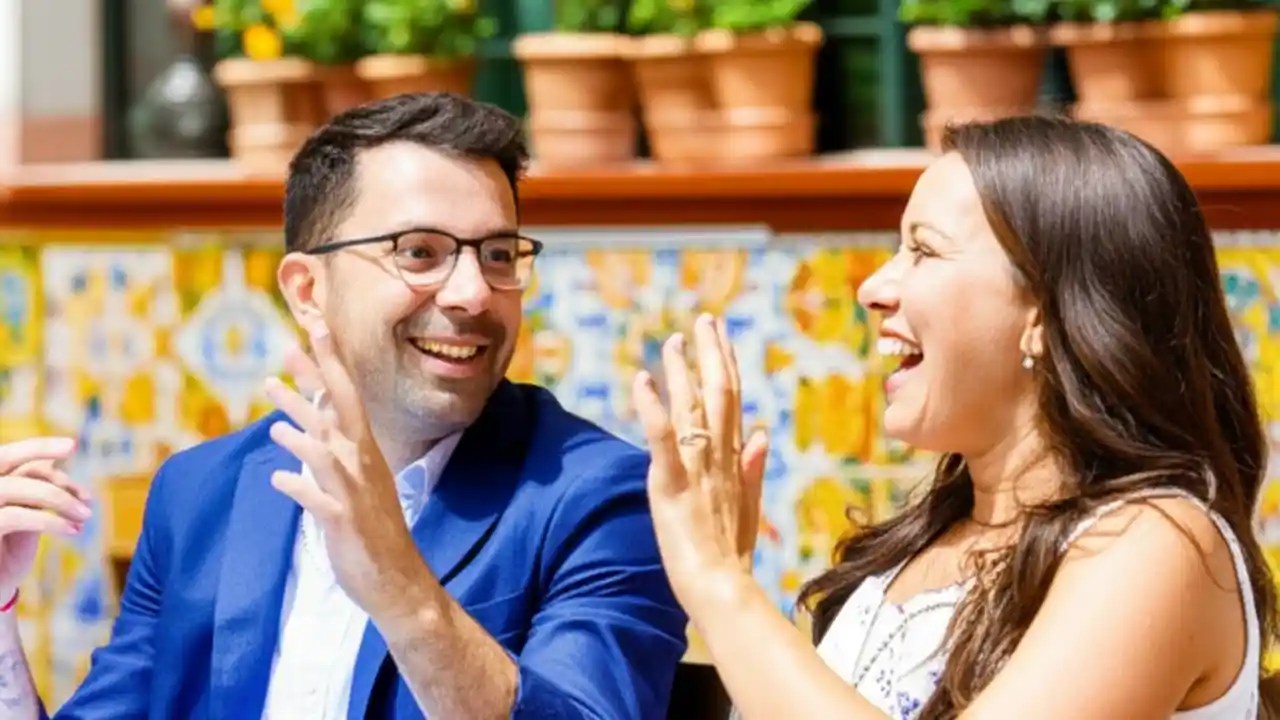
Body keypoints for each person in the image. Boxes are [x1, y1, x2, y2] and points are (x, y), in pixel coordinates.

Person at [0, 92, 689, 719]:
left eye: (499, 255)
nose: (473, 293)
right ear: (308, 290)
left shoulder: (598, 497)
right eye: (420, 253)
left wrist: (401, 586)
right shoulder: (200, 492)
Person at [633, 116, 1276, 719]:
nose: (873, 289)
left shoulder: (1160, 542)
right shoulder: (921, 547)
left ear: (1044, 313)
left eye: (924, 251)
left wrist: (721, 586)